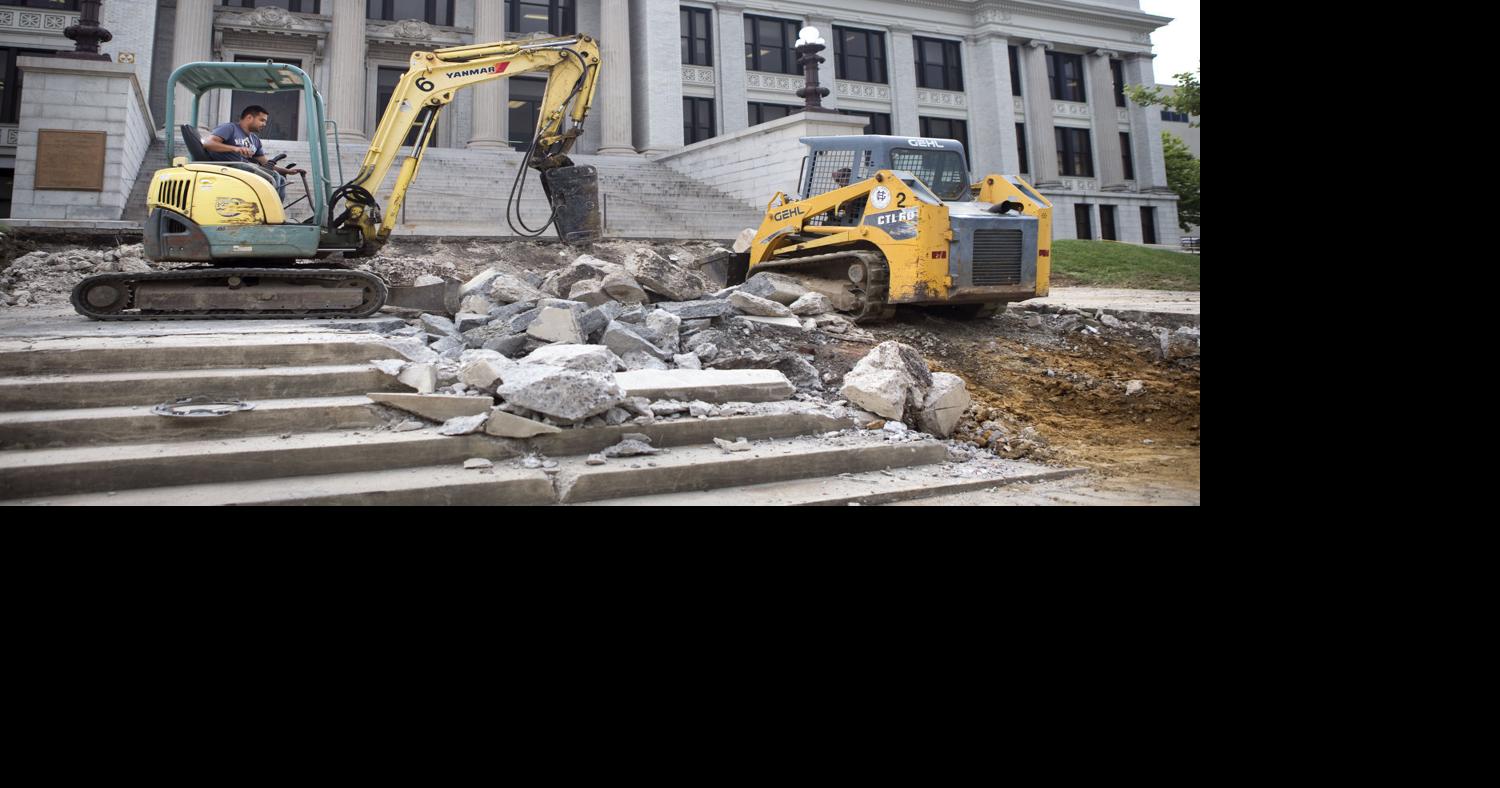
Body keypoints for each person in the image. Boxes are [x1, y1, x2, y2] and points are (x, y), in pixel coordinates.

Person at [203, 105, 306, 200]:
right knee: (272, 177)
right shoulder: (230, 128)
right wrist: (235, 148)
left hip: (244, 169)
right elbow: (208, 143)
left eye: (265, 121)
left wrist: (286, 171)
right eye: (262, 120)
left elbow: (265, 164)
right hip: (229, 169)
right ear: (249, 118)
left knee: (280, 179)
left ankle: (274, 213)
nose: (264, 124)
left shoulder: (255, 140)